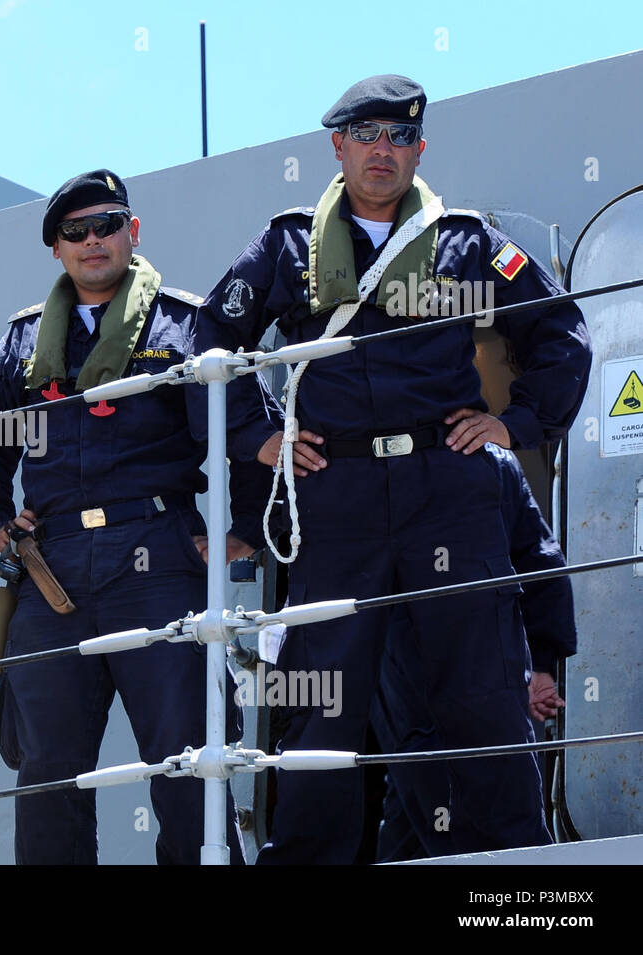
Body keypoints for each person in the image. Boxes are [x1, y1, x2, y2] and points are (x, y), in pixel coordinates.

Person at [205, 75, 591, 863]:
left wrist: (512, 424)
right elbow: (213, 341)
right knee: (324, 702)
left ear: (420, 148)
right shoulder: (285, 247)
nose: (383, 151)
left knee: (482, 695)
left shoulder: (469, 241)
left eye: (399, 137)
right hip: (335, 493)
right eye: (367, 135)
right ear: (337, 145)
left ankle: (518, 879)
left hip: (447, 486)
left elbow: (561, 330)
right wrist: (260, 435)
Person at [0, 170, 275, 865]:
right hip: (52, 573)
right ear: (56, 249)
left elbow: (251, 437)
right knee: (47, 769)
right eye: (75, 231)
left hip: (158, 560)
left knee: (187, 759)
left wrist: (242, 534)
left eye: (107, 224)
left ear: (133, 231)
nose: (92, 240)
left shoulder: (190, 325)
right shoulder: (20, 345)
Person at [372, 445, 575, 861]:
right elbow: (541, 561)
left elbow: (540, 562)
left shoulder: (370, 455)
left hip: (413, 668)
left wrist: (540, 662)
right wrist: (542, 663)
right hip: (472, 668)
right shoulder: (494, 461)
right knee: (441, 804)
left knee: (432, 800)